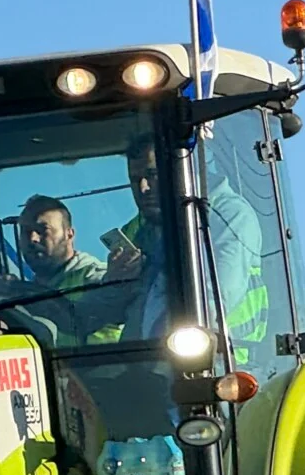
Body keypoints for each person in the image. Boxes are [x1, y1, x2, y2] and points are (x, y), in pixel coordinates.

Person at [100, 135, 265, 356]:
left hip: (221, 363)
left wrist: (163, 351)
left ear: (184, 170)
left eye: (153, 175)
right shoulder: (142, 231)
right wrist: (114, 283)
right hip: (148, 364)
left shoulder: (228, 215)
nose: (143, 188)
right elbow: (110, 313)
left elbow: (216, 296)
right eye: (134, 179)